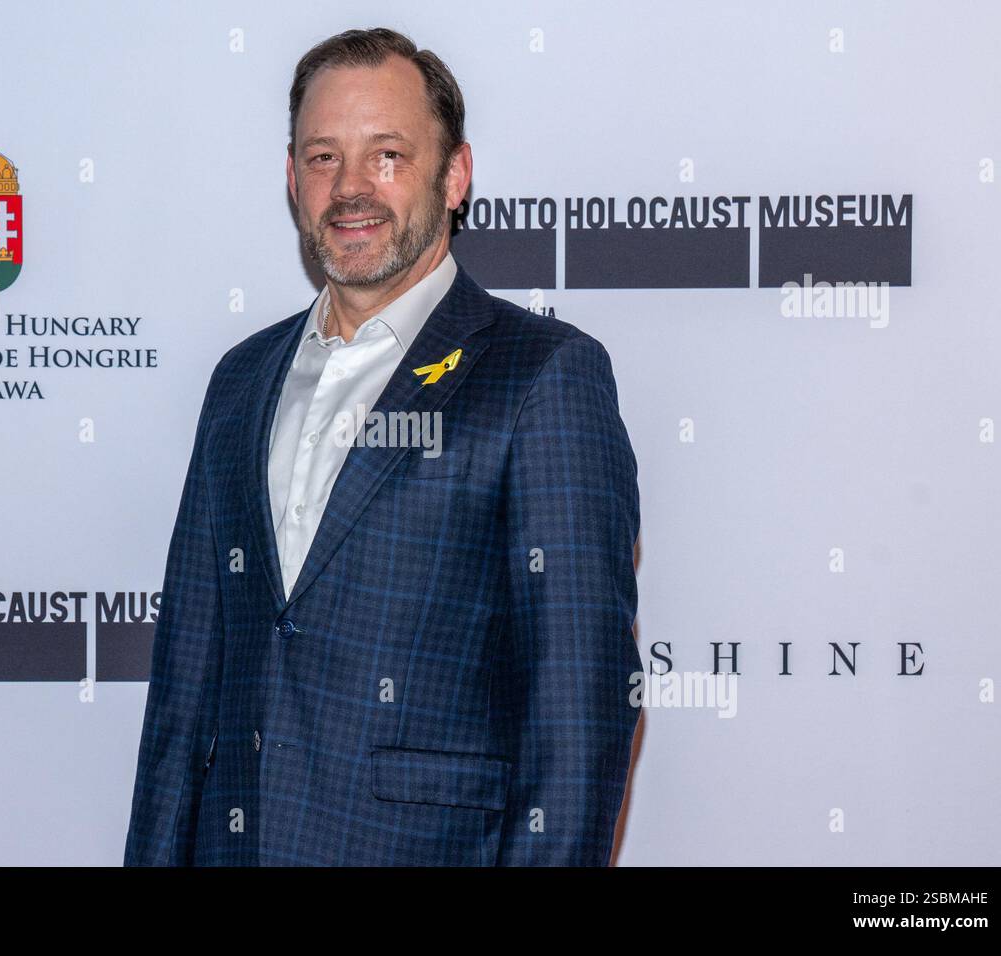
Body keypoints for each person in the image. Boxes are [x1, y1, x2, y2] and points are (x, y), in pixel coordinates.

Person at [124, 26, 642, 866]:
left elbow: (578, 710)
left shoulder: (541, 378)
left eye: (388, 154)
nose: (351, 187)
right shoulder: (239, 382)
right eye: (324, 157)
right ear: (291, 178)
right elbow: (185, 687)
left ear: (456, 175)